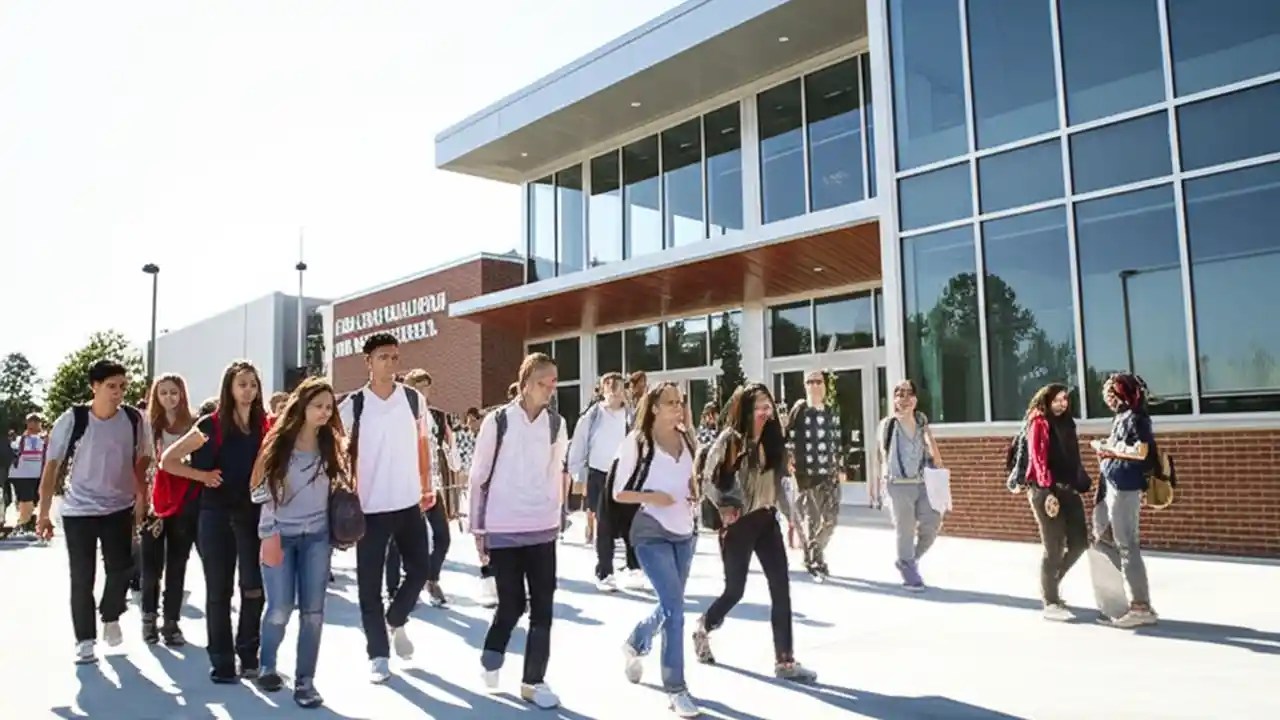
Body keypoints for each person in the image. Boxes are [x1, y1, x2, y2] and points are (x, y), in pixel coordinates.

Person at [695, 382, 817, 683]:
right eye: (759, 407)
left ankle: (785, 661)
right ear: (746, 410)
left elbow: (781, 487)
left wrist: (795, 523)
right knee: (735, 590)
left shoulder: (773, 442)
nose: (765, 413)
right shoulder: (731, 440)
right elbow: (708, 480)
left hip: (766, 520)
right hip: (738, 525)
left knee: (781, 587)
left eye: (768, 407)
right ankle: (703, 627)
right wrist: (724, 508)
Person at [35, 360, 152, 664]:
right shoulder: (73, 419)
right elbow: (52, 467)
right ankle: (84, 640)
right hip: (78, 510)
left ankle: (110, 614)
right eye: (111, 386)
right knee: (82, 576)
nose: (118, 393)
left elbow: (143, 461)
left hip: (119, 506)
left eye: (123, 387)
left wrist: (142, 499)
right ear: (95, 387)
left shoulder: (134, 419)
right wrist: (43, 513)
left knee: (122, 568)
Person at [469, 353, 568, 709]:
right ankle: (493, 653)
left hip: (543, 527)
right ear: (525, 382)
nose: (550, 389)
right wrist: (478, 530)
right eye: (544, 382)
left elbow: (557, 473)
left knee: (544, 607)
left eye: (554, 382)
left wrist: (558, 515)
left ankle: (533, 681)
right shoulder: (498, 421)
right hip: (504, 527)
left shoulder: (557, 424)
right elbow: (479, 477)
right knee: (511, 605)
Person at [162, 360, 270, 683]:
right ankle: (222, 660)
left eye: (253, 384)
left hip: (253, 515)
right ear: (229, 388)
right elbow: (168, 461)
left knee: (254, 589)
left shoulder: (264, 424)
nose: (248, 390)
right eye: (242, 384)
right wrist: (202, 475)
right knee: (219, 590)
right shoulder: (211, 425)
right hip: (216, 515)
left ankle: (248, 653)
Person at [337, 333, 434, 683]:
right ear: (368, 361)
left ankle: (396, 619)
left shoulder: (413, 400)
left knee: (420, 570)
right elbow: (334, 450)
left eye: (395, 357)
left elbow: (424, 445)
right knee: (368, 587)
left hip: (408, 502)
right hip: (370, 508)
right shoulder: (353, 406)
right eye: (383, 357)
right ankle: (378, 654)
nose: (391, 364)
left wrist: (427, 487)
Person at [251, 377, 347, 707]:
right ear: (302, 407)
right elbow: (257, 489)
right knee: (279, 607)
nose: (324, 412)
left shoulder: (332, 443)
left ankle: (305, 681)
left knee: (313, 612)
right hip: (280, 533)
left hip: (318, 537)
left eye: (328, 407)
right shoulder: (277, 442)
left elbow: (341, 483)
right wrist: (268, 533)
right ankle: (267, 664)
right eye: (318, 406)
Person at [614, 381, 701, 718]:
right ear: (653, 407)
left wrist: (693, 490)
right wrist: (654, 496)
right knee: (676, 610)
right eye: (670, 402)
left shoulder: (688, 439)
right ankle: (676, 688)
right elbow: (620, 492)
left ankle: (636, 641)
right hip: (650, 531)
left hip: (685, 531)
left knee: (671, 604)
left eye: (680, 402)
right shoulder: (638, 443)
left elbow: (689, 478)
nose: (678, 407)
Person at [1017, 383, 1091, 622]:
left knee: (1080, 542)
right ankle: (1050, 601)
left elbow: (1073, 458)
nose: (1062, 404)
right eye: (1057, 400)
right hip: (1045, 489)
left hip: (1068, 489)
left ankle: (1051, 583)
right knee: (1054, 546)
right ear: (1047, 400)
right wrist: (1047, 490)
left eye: (1065, 399)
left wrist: (1080, 481)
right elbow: (1038, 459)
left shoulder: (1068, 423)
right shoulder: (1039, 422)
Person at [1092, 373, 1159, 628]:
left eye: (1110, 392)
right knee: (1105, 536)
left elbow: (1141, 451)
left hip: (1126, 488)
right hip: (1112, 485)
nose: (1106, 397)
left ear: (1121, 392)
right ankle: (1116, 603)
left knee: (1127, 544)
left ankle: (1141, 607)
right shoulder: (1120, 418)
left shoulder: (1137, 418)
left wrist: (1108, 449)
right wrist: (1104, 446)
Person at [384, 368, 453, 607]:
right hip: (406, 487)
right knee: (397, 541)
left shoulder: (437, 416)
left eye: (426, 387)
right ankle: (393, 588)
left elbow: (447, 450)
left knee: (443, 537)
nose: (423, 392)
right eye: (417, 387)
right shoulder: (398, 416)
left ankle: (431, 578)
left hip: (432, 486)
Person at [140, 373, 200, 646]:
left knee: (178, 564)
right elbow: (140, 464)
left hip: (185, 502)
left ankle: (171, 622)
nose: (169, 398)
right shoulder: (148, 426)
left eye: (174, 392)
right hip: (155, 505)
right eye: (163, 393)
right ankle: (148, 619)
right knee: (151, 567)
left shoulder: (194, 425)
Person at [876, 379, 945, 592]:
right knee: (904, 530)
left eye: (908, 394)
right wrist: (878, 485)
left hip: (922, 482)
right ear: (894, 399)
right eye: (899, 394)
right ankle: (908, 570)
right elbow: (882, 456)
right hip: (898, 485)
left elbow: (930, 444)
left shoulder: (921, 420)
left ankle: (909, 559)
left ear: (915, 399)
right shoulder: (888, 425)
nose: (903, 398)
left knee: (933, 522)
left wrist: (938, 461)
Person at [566, 372, 632, 590]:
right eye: (609, 386)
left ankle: (634, 567)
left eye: (618, 386)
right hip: (600, 474)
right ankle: (605, 572)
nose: (614, 390)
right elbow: (578, 445)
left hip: (626, 474)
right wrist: (578, 475)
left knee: (632, 523)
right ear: (602, 390)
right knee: (604, 525)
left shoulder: (631, 416)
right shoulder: (593, 415)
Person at [786, 370, 845, 581]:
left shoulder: (831, 412)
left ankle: (813, 550)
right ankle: (815, 559)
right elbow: (789, 436)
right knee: (811, 519)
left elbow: (837, 441)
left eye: (818, 381)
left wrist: (841, 467)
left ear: (825, 385)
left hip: (828, 474)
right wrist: (790, 460)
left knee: (830, 519)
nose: (814, 386)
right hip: (806, 474)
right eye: (809, 382)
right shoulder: (800, 410)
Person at [11, 413, 47, 535]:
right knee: (27, 501)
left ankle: (24, 524)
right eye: (32, 422)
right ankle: (23, 525)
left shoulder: (43, 440)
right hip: (21, 476)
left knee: (34, 502)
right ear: (27, 424)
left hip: (37, 476)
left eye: (37, 422)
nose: (35, 425)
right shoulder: (19, 440)